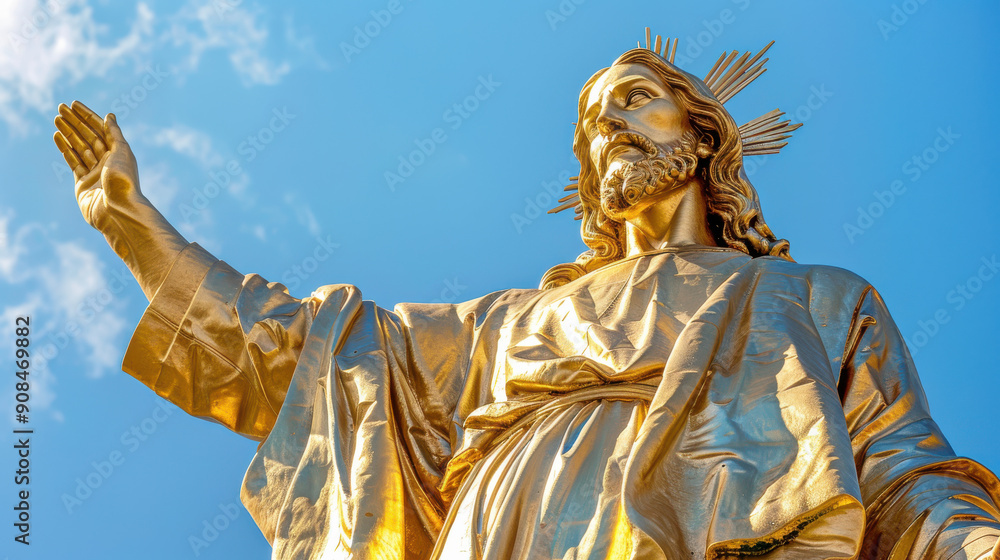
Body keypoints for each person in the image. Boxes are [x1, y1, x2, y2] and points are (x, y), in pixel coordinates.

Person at [53, 32, 1000, 560]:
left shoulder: (819, 300)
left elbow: (903, 470)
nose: (609, 126)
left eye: (634, 98)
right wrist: (139, 228)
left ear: (706, 136)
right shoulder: (509, 326)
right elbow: (302, 352)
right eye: (592, 122)